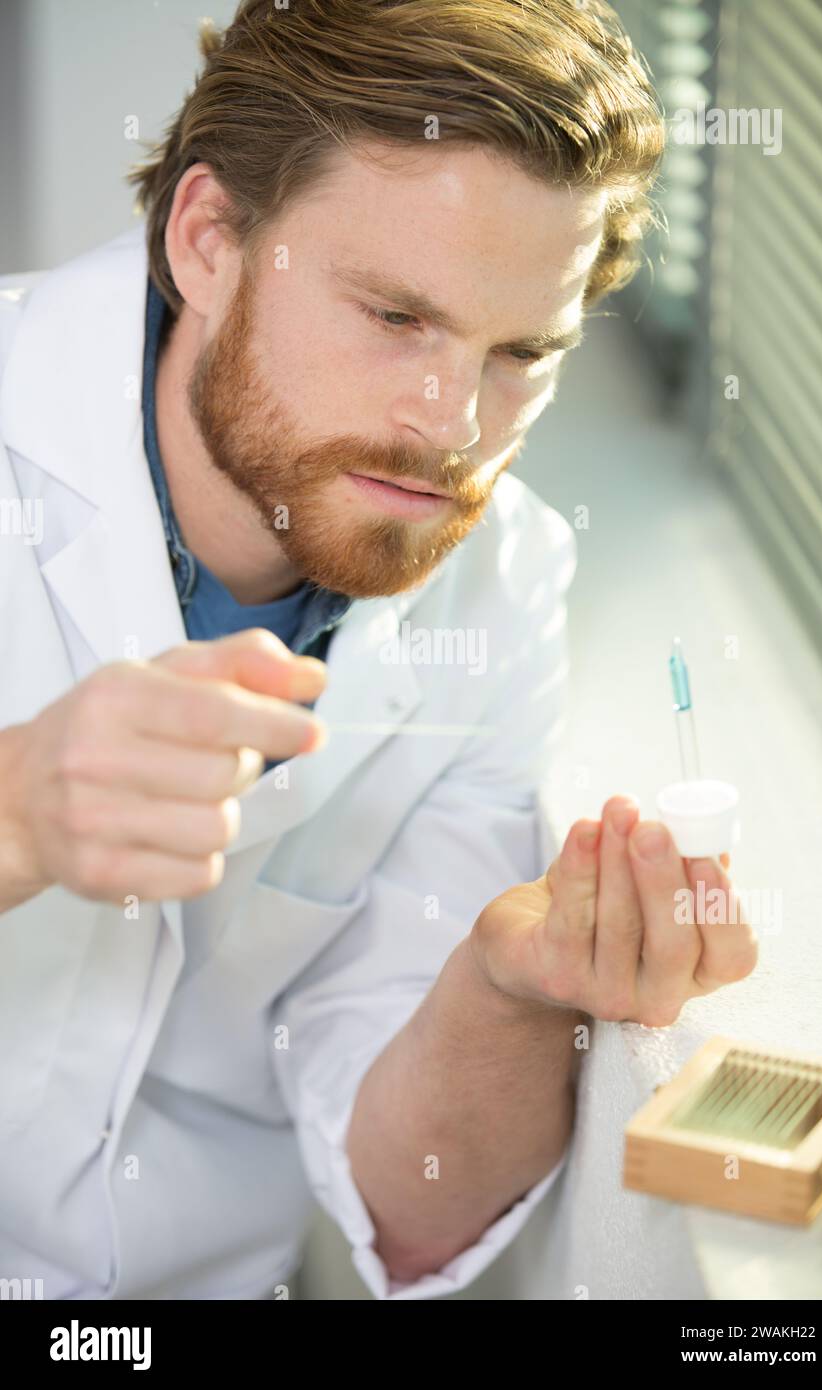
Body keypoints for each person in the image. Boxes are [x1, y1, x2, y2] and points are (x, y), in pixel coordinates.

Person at [0, 0, 756, 1300]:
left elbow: (405, 1212)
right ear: (208, 241)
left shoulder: (502, 588)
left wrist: (509, 986)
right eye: (395, 316)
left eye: (521, 352)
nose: (452, 424)